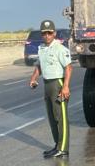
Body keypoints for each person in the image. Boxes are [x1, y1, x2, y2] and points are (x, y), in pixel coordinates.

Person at [29, 19, 72, 158]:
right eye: (44, 33)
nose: (47, 35)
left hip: (57, 83)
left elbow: (68, 68)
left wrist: (65, 87)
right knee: (52, 117)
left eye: (49, 33)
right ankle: (57, 145)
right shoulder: (42, 48)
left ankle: (63, 148)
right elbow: (39, 66)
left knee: (61, 117)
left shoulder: (60, 48)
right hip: (47, 84)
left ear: (54, 33)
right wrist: (34, 78)